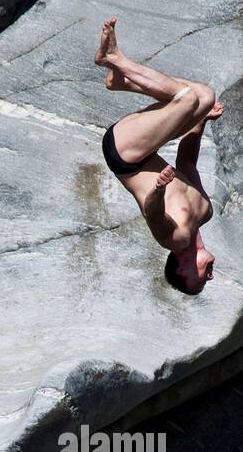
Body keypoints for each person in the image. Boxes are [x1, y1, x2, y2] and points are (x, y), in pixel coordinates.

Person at [95, 17, 222, 295]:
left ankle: (114, 58)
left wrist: (159, 188)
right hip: (146, 149)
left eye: (200, 280)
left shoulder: (175, 239)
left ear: (182, 269)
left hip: (125, 155)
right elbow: (186, 163)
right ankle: (120, 82)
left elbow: (151, 211)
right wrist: (201, 123)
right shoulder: (206, 212)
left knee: (187, 100)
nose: (210, 278)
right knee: (204, 96)